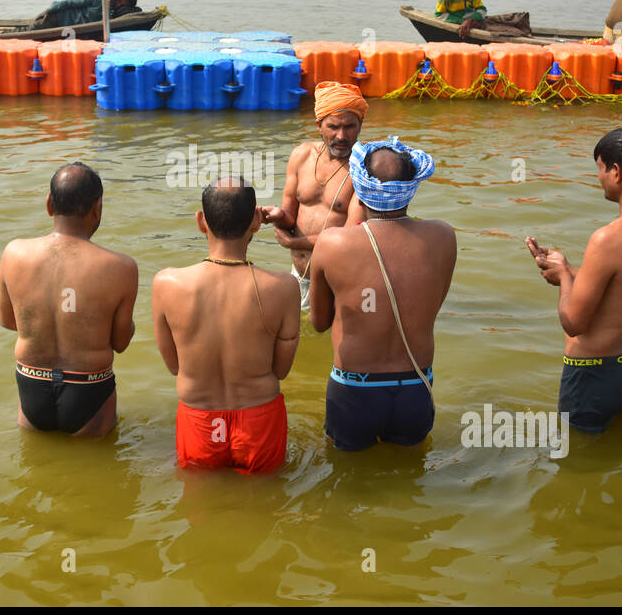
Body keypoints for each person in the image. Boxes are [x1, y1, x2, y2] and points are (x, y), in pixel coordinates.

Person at [525, 126, 622, 434]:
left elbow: (574, 322)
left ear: (616, 171)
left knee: (577, 470)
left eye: (599, 168)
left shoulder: (608, 238)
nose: (598, 176)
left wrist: (562, 278)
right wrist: (568, 270)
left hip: (595, 376)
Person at [309, 138, 457, 451]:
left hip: (354, 388)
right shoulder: (443, 236)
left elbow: (319, 323)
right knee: (410, 480)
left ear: (360, 190)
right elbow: (433, 304)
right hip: (415, 383)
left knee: (345, 479)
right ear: (412, 187)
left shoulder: (332, 243)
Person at [153, 178, 301, 474]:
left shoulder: (166, 283)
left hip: (199, 419)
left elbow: (174, 367)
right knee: (266, 507)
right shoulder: (284, 287)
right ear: (256, 223)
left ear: (201, 221)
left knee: (200, 508)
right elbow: (281, 371)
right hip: (259, 419)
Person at [0, 163, 138, 438]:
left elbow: (8, 321)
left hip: (31, 383)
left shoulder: (13, 253)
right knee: (96, 473)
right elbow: (120, 343)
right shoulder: (121, 266)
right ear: (97, 207)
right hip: (89, 387)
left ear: (49, 204)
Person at [261, 82, 368, 310]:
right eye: (333, 127)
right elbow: (290, 215)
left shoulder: (364, 168)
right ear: (319, 126)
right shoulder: (301, 155)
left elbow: (349, 239)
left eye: (349, 126)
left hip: (337, 280)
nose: (341, 135)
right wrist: (278, 216)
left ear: (360, 125)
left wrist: (293, 242)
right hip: (299, 275)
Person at [30, 0, 138, 30]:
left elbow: (104, 26)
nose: (118, 5)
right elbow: (70, 2)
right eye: (119, 0)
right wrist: (49, 10)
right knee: (32, 29)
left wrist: (108, 6)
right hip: (58, 18)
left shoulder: (112, 14)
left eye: (122, 5)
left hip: (66, 28)